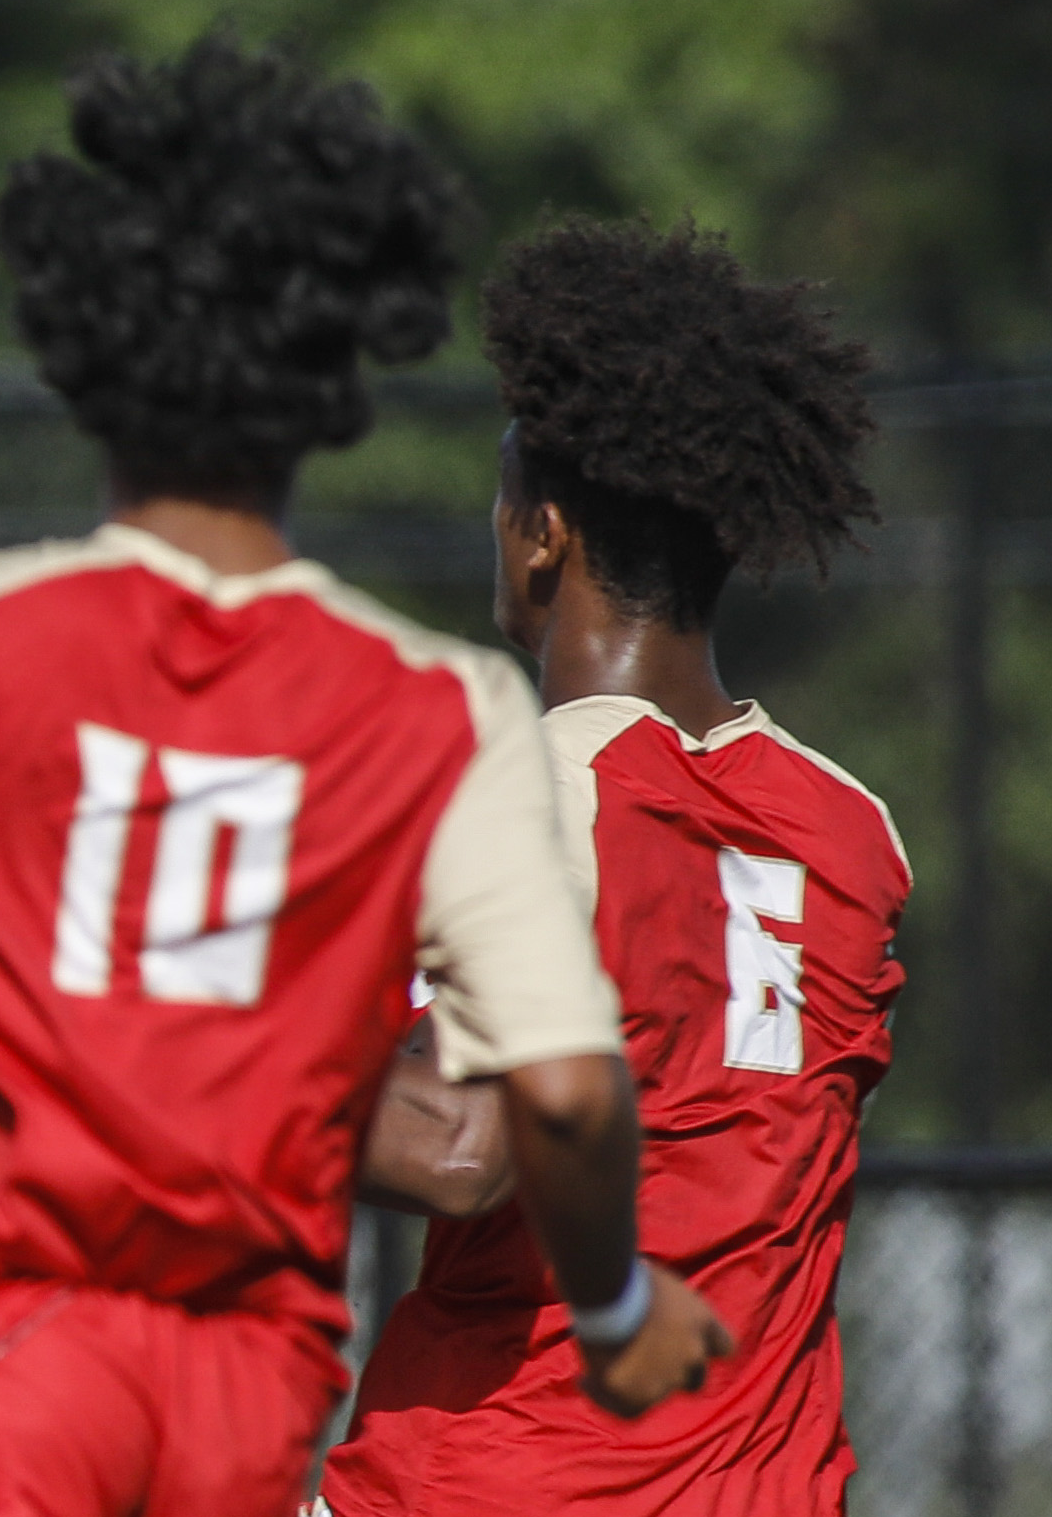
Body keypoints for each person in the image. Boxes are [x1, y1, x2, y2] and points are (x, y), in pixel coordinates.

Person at [0, 33, 733, 1517]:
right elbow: (561, 1087)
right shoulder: (440, 708)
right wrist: (612, 1312)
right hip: (240, 1414)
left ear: (80, 353)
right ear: (332, 379)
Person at [319, 218, 904, 1517]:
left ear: (542, 532)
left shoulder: (531, 797)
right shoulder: (854, 831)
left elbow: (467, 1146)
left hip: (500, 1477)